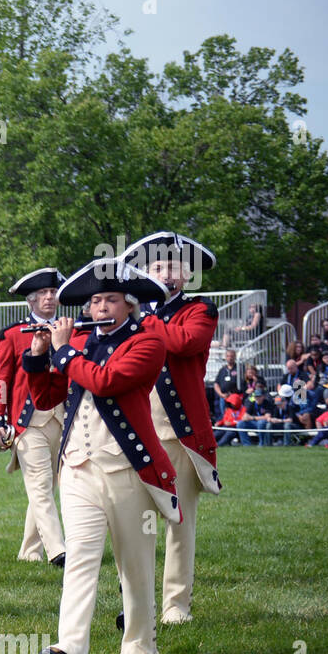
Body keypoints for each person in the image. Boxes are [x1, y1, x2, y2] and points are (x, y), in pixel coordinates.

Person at [25, 258, 180, 654]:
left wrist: (63, 350)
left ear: (130, 305)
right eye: (95, 301)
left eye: (111, 299)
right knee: (79, 557)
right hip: (78, 468)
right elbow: (44, 399)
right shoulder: (81, 344)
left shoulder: (148, 343)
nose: (101, 308)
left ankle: (139, 644)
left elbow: (106, 382)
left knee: (135, 563)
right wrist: (40, 357)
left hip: (130, 470)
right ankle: (70, 649)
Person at [124, 231, 221, 626]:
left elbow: (182, 343)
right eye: (158, 267)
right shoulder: (128, 316)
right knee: (133, 520)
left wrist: (142, 317)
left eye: (175, 267)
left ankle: (176, 604)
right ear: (146, 273)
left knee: (179, 522)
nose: (167, 274)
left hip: (179, 436)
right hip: (136, 432)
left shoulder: (200, 310)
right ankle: (135, 598)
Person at [0, 267, 67, 567]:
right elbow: (1, 378)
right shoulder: (12, 334)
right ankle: (58, 550)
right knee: (40, 484)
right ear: (31, 301)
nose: (49, 297)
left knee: (46, 487)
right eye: (43, 294)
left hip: (61, 418)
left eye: (53, 293)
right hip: (27, 421)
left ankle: (29, 550)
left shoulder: (68, 330)